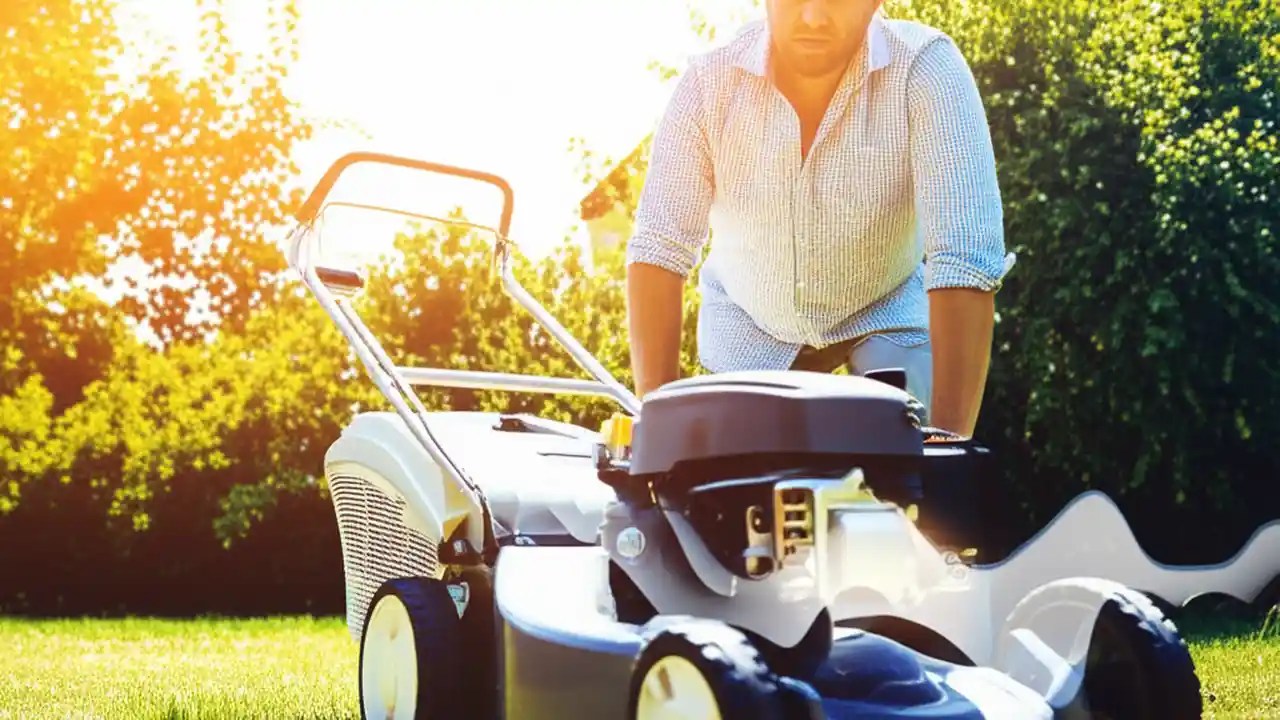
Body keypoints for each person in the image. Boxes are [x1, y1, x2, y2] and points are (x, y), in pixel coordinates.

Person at [625, 0, 1013, 436]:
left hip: (886, 308)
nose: (812, 17)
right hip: (747, 318)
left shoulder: (926, 70)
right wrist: (655, 428)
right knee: (733, 477)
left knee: (909, 451)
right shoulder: (706, 84)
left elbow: (964, 258)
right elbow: (658, 248)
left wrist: (948, 449)